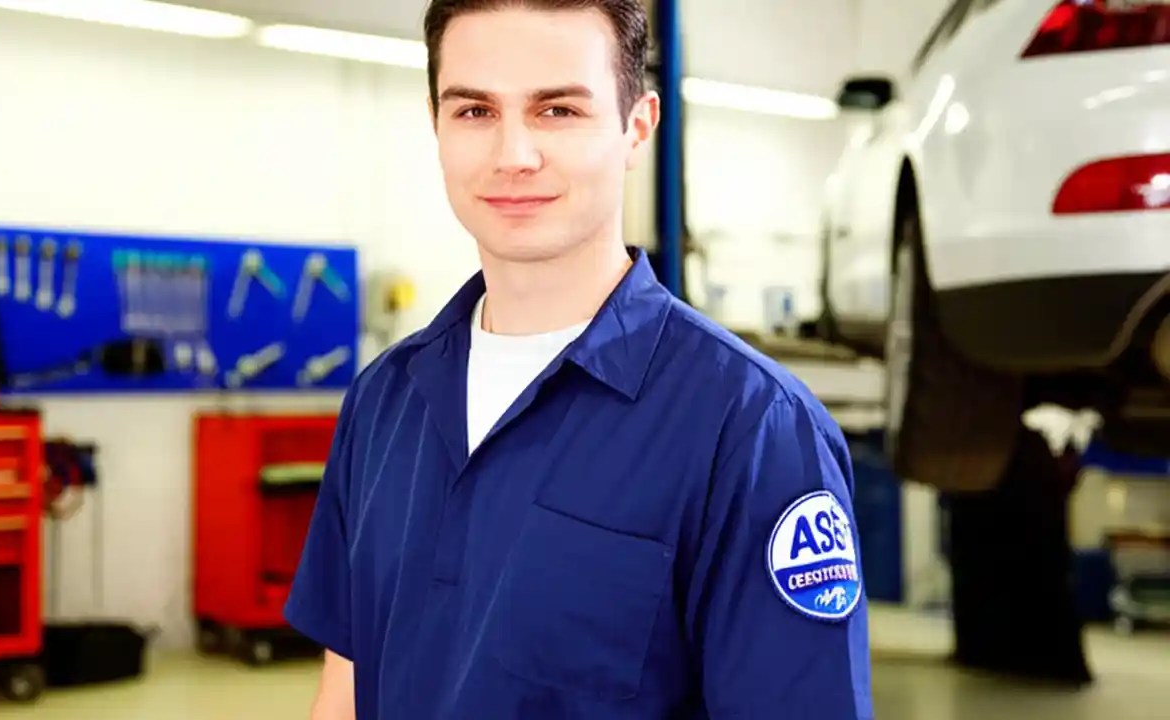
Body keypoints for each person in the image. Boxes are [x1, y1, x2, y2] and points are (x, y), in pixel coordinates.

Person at [285, 0, 874, 717]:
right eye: (474, 112)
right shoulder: (383, 401)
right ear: (436, 126)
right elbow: (344, 687)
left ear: (637, 126)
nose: (513, 154)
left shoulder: (753, 432)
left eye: (557, 111)